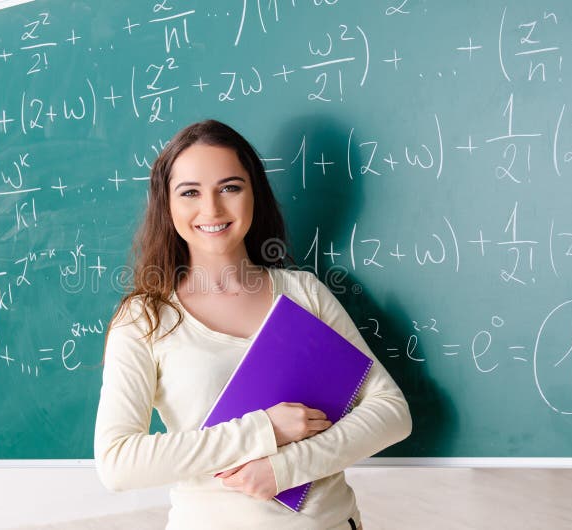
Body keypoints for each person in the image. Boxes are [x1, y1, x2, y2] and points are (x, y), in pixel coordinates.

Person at [94, 120, 412, 529]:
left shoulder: (303, 293)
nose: (211, 209)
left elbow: (391, 412)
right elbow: (119, 463)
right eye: (190, 192)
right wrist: (263, 429)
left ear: (254, 194)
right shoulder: (145, 319)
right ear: (167, 204)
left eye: (230, 187)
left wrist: (287, 467)